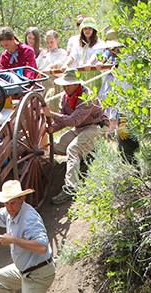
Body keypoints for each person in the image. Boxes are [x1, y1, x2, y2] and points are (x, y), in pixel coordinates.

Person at [45, 69, 108, 205]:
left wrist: (51, 114)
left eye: (68, 85)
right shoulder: (65, 97)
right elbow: (63, 120)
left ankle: (71, 188)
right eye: (64, 85)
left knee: (72, 149)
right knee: (54, 147)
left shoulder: (87, 97)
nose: (65, 88)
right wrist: (50, 129)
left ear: (76, 84)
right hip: (79, 129)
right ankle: (87, 155)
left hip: (95, 127)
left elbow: (73, 121)